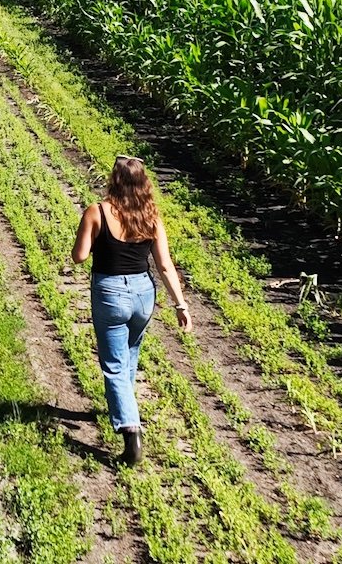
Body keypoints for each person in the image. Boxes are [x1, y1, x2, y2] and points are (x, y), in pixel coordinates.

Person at [71, 155, 191, 465]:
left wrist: (97, 239)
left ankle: (131, 433)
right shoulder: (151, 216)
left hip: (111, 292)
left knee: (113, 364)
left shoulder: (96, 212)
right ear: (143, 183)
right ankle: (121, 403)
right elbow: (164, 265)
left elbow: (80, 256)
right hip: (143, 294)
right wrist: (180, 304)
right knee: (129, 352)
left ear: (114, 180)